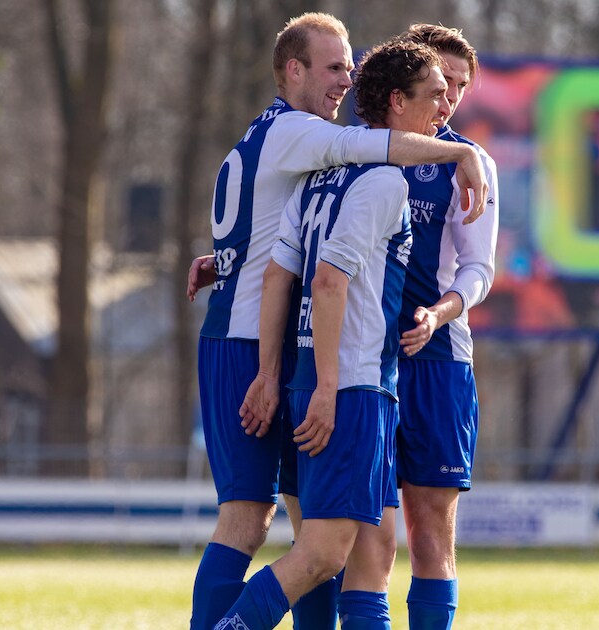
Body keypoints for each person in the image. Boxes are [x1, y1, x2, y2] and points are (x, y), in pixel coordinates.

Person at [185, 13, 487, 630]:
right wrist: (463, 152)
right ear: (292, 70)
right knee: (285, 532)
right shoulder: (332, 151)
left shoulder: (298, 161)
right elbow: (326, 273)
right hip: (314, 365)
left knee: (320, 537)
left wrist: (225, 261)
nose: (449, 108)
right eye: (438, 92)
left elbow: (274, 258)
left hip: (287, 351)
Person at [393, 24, 498, 630]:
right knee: (362, 532)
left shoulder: (470, 164)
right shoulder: (357, 150)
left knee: (430, 527)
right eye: (443, 81)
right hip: (362, 358)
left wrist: (439, 311)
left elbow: (479, 270)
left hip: (439, 362)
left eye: (462, 85)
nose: (451, 95)